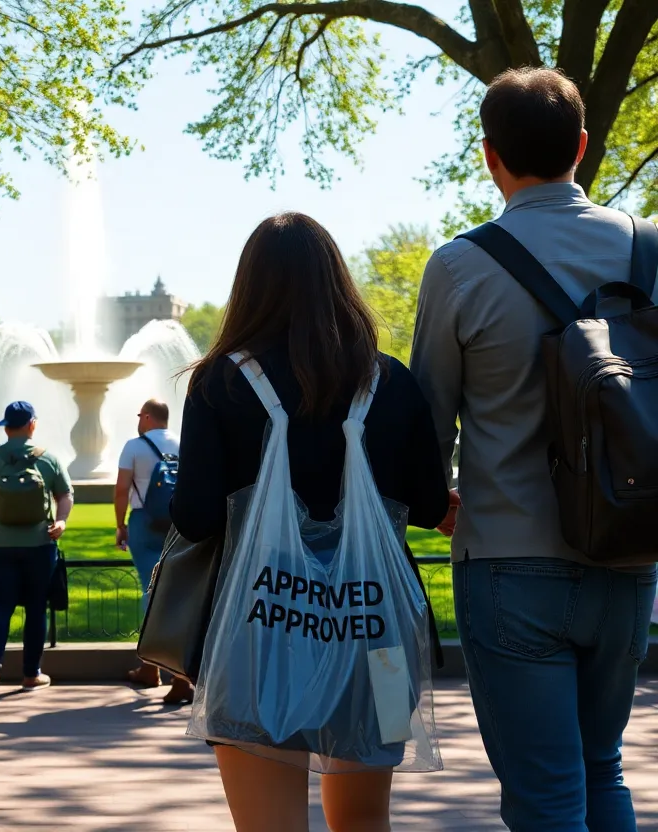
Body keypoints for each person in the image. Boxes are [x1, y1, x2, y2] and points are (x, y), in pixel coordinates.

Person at [411, 67, 658, 832]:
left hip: (508, 556)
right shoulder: (648, 251)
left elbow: (428, 424)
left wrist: (436, 503)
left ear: (490, 156)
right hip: (629, 547)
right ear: (581, 146)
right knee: (601, 767)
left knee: (546, 794)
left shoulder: (459, 265)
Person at [171, 212, 450, 832]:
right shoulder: (392, 381)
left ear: (249, 286)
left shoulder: (220, 383)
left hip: (259, 632)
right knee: (366, 823)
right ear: (337, 281)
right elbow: (429, 506)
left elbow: (192, 518)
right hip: (379, 639)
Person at [0, 401, 73, 696]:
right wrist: (61, 522)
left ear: (6, 427)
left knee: (0, 606)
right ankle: (31, 673)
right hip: (40, 543)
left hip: (0, 545)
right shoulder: (48, 459)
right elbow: (65, 494)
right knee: (36, 608)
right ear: (32, 425)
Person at [114, 399, 193, 704]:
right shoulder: (181, 442)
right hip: (177, 524)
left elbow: (121, 489)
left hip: (145, 523)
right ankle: (153, 668)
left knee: (153, 594)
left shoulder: (134, 446)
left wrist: (120, 525)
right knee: (177, 594)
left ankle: (176, 675)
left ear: (146, 417)